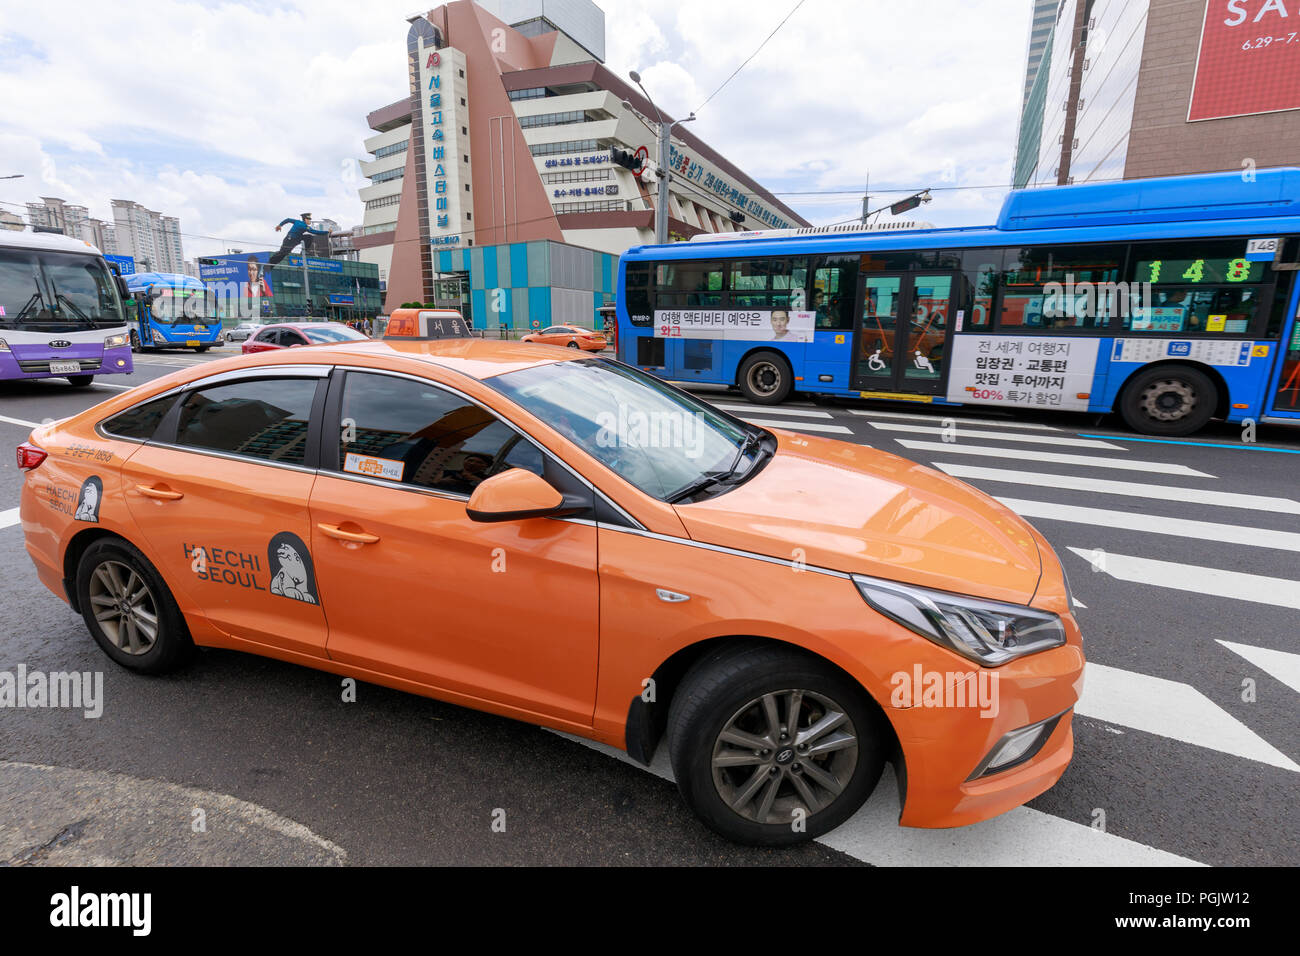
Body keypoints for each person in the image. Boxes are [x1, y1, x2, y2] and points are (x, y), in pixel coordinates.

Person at [267, 213, 331, 271]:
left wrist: (280, 225)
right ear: (305, 219)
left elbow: (288, 219)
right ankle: (269, 264)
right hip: (290, 240)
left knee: (309, 237)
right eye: (308, 219)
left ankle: (305, 250)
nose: (310, 221)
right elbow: (315, 232)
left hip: (295, 239)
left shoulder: (297, 222)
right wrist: (327, 232)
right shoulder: (303, 226)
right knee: (282, 254)